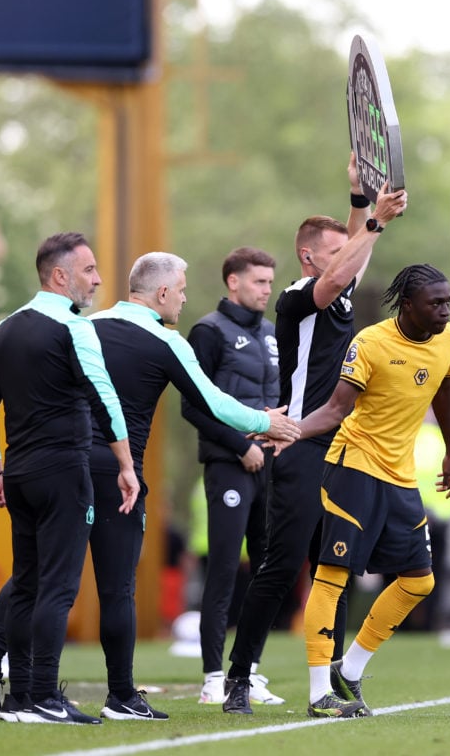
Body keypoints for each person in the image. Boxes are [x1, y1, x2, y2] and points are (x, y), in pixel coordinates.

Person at [0, 252, 300, 722]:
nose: (184, 298)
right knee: (115, 588)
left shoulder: (84, 324)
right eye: (180, 290)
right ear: (161, 293)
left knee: (33, 576)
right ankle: (118, 694)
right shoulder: (165, 339)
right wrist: (268, 421)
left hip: (64, 462)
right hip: (117, 471)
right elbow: (212, 401)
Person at [221, 165, 407, 714]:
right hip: (301, 448)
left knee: (337, 569)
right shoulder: (300, 295)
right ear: (308, 258)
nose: (347, 254)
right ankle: (238, 677)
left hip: (341, 451)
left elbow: (350, 256)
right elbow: (334, 276)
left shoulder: (336, 287)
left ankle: (326, 686)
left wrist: (359, 198)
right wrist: (373, 221)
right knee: (280, 568)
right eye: (335, 250)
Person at [267, 263, 450, 719]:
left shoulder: (449, 339)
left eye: (447, 301)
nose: (445, 311)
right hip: (352, 466)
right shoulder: (371, 343)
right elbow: (336, 408)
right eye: (436, 303)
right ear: (408, 306)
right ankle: (318, 695)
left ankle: (349, 669)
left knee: (419, 580)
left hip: (399, 474)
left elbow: (443, 390)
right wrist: (290, 429)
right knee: (333, 575)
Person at [0, 232, 138, 726]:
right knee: (58, 588)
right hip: (64, 471)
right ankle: (43, 693)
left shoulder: (2, 329)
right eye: (89, 270)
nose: (98, 279)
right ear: (59, 276)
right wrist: (126, 467)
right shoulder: (73, 326)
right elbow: (104, 398)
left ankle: (21, 695)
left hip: (19, 473)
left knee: (27, 584)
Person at [181, 245, 284, 706]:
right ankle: (210, 676)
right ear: (234, 282)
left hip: (270, 464)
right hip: (229, 464)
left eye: (269, 281)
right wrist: (241, 446)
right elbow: (193, 405)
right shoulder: (208, 331)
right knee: (223, 570)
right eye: (259, 281)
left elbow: (277, 399)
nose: (267, 289)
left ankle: (248, 674)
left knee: (267, 570)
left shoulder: (270, 334)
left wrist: (279, 440)